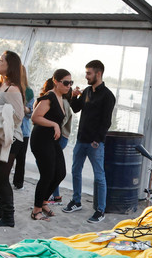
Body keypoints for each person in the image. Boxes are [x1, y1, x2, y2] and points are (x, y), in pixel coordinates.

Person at [63, 59, 116, 223]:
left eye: (88, 73)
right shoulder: (87, 91)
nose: (86, 76)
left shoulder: (108, 96)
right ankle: (76, 201)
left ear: (98, 74)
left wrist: (97, 140)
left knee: (99, 177)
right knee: (75, 171)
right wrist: (73, 96)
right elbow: (77, 108)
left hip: (95, 143)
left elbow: (106, 122)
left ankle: (100, 210)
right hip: (80, 140)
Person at [0, 50, 27, 229]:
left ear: (10, 65)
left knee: (1, 177)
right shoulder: (2, 85)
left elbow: (18, 116)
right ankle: (1, 210)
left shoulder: (13, 88)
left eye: (1, 60)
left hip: (11, 139)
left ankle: (9, 217)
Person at [29, 68, 72, 221]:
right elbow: (35, 117)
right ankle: (36, 210)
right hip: (41, 139)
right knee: (47, 174)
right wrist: (54, 124)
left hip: (52, 141)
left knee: (60, 173)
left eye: (70, 83)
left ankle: (43, 201)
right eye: (66, 83)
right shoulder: (50, 97)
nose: (69, 86)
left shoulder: (61, 97)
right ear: (56, 81)